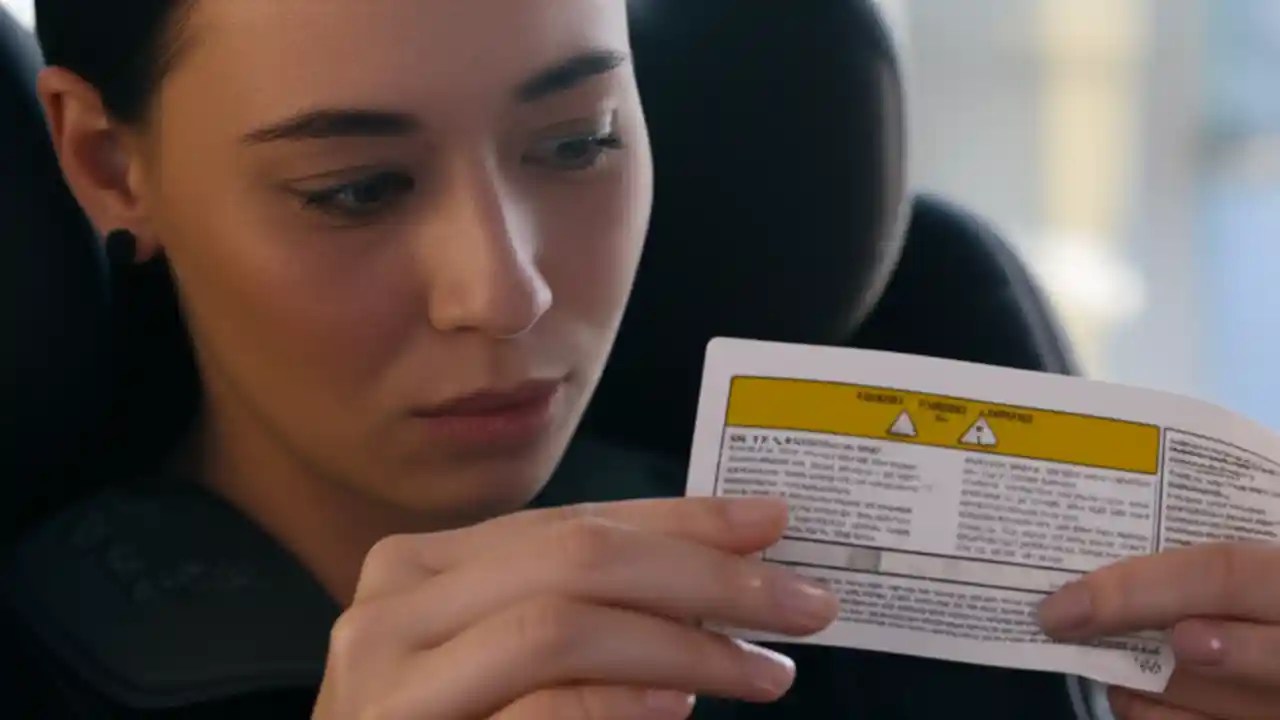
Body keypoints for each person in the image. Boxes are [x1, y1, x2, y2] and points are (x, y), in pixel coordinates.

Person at [5, 1, 1277, 718]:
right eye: (354, 189)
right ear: (108, 164)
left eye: (576, 144)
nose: (506, 291)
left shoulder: (950, 658)